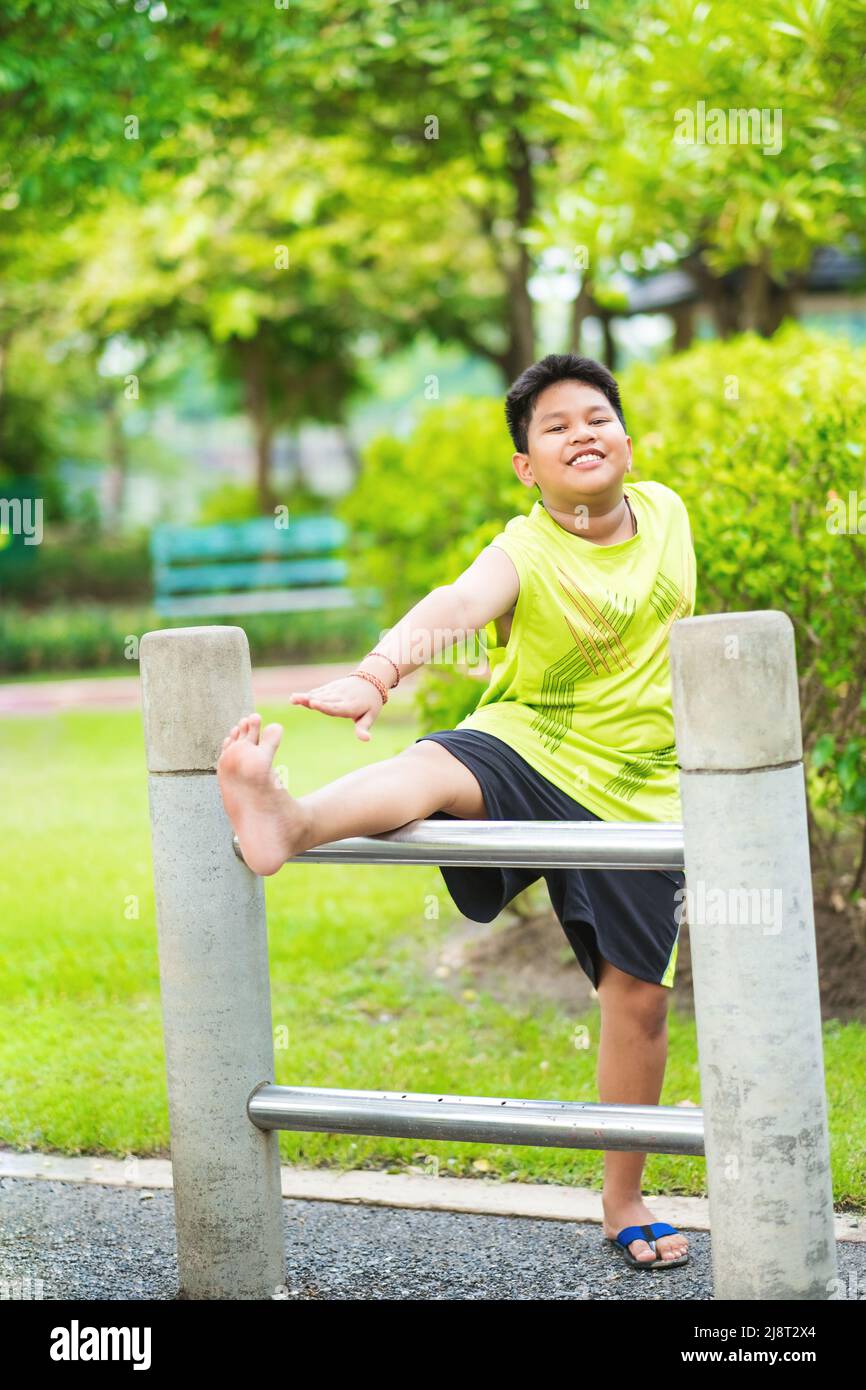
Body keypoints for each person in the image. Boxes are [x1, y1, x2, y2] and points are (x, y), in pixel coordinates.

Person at [216, 352, 696, 1271]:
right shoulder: (523, 548)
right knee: (436, 764)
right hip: (531, 744)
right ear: (528, 468)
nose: (580, 434)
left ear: (626, 440)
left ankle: (624, 1198)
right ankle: (289, 820)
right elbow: (459, 603)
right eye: (553, 429)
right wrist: (377, 673)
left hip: (641, 788)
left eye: (595, 417)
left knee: (637, 1006)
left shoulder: (669, 513)